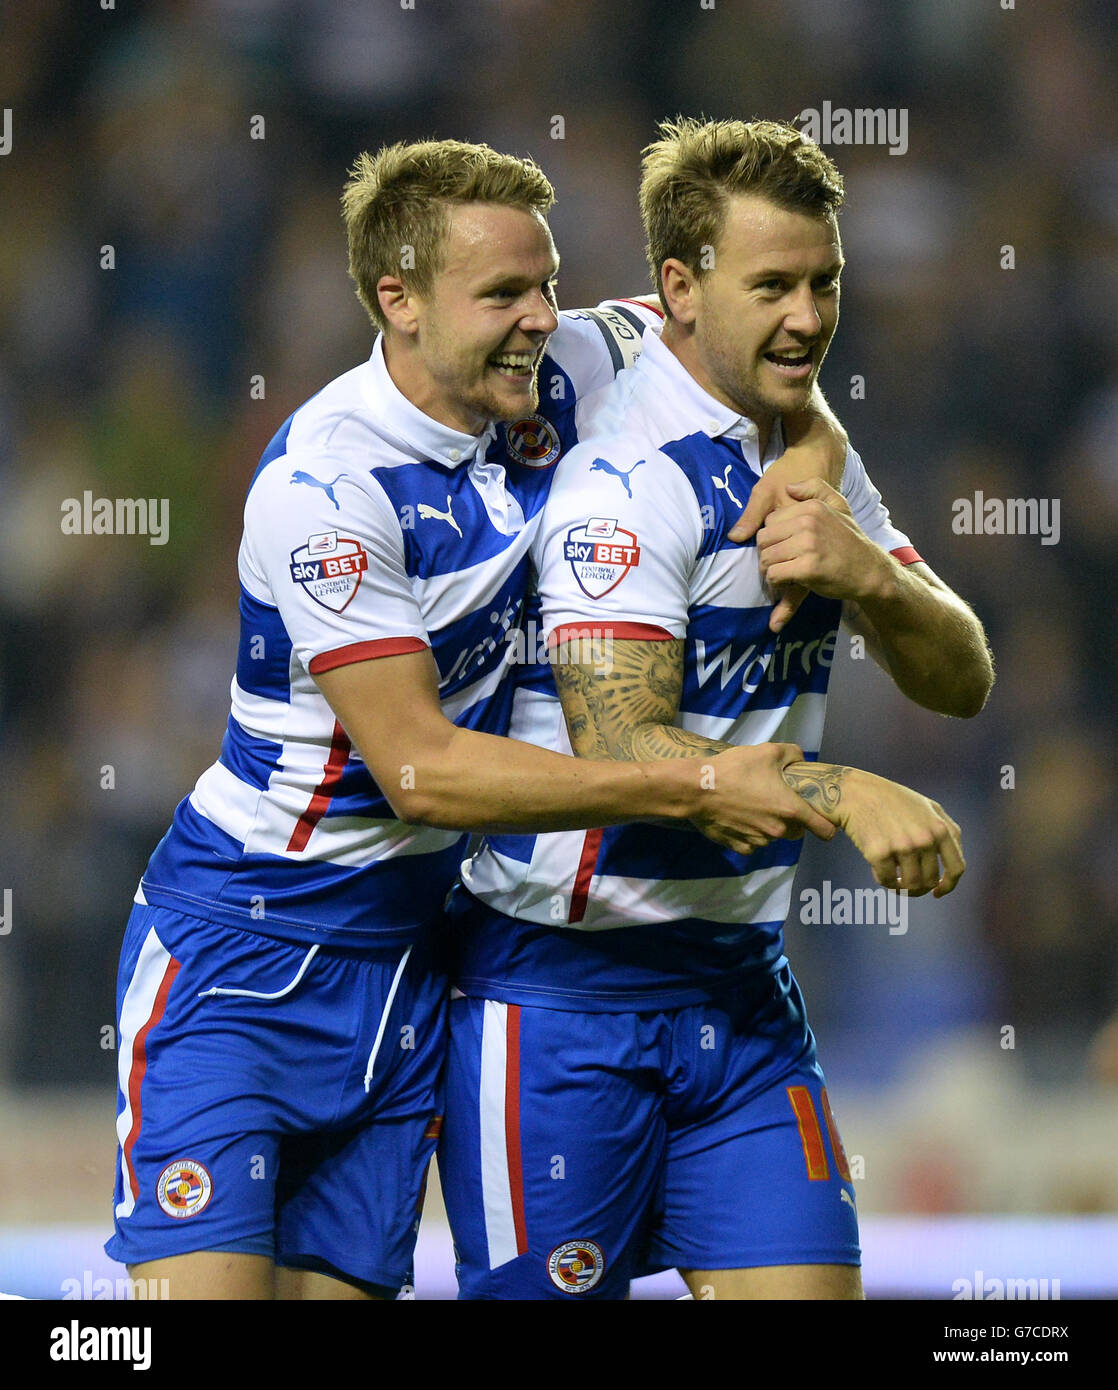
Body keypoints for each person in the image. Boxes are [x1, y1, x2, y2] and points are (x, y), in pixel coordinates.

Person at [105, 137, 847, 1301]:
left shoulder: (565, 359)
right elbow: (423, 773)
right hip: (243, 953)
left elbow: (753, 357)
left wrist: (813, 451)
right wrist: (702, 782)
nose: (542, 317)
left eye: (547, 283)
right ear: (395, 301)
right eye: (502, 293)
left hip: (408, 964)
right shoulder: (326, 492)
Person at [439, 118, 994, 1300]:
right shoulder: (623, 475)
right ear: (679, 290)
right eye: (772, 286)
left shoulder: (807, 451)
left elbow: (961, 676)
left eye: (823, 282)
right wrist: (840, 789)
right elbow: (624, 746)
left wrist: (870, 576)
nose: (806, 316)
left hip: (739, 992)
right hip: (560, 998)